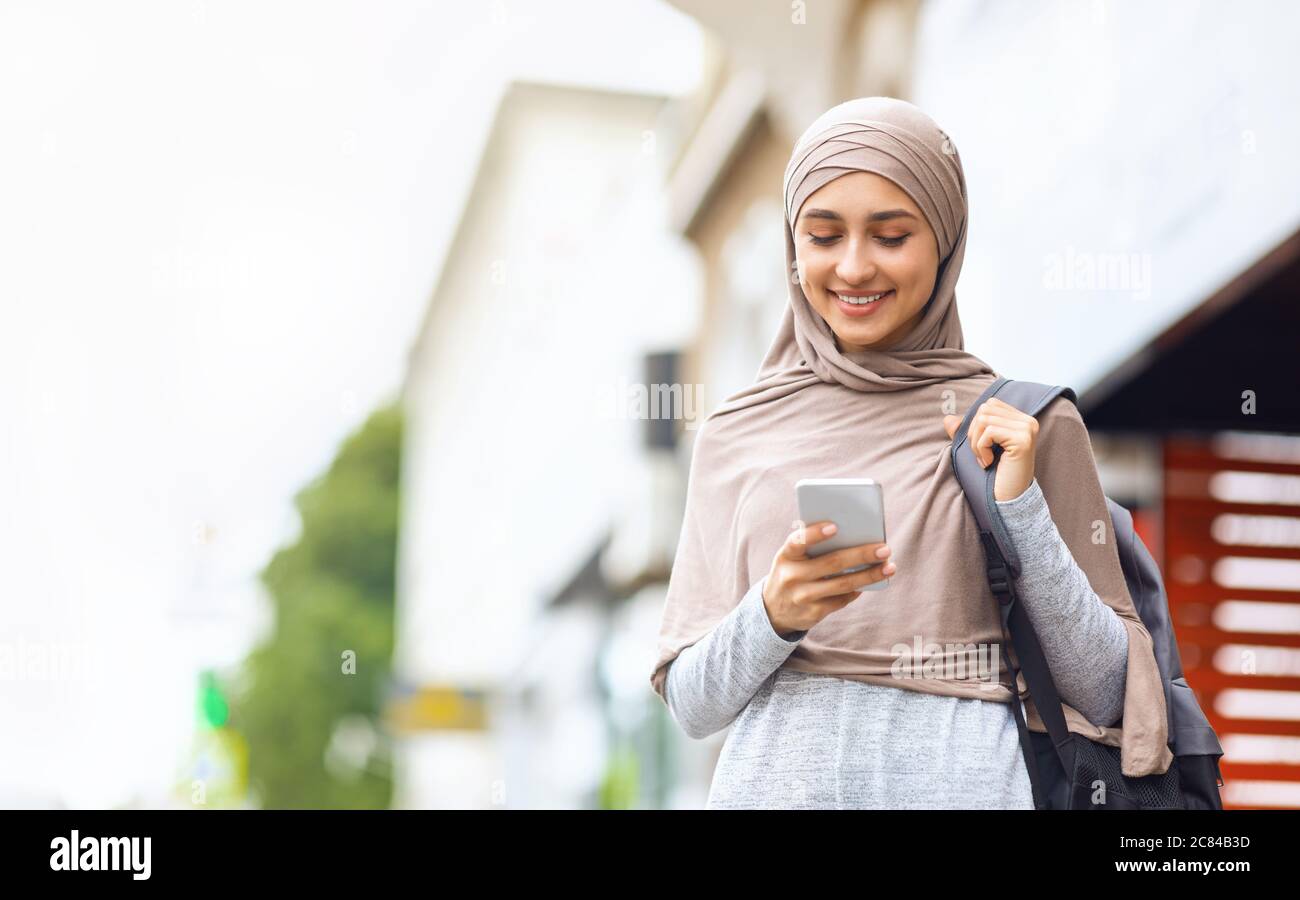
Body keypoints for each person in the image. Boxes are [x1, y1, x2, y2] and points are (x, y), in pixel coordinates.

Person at [648, 97, 1173, 809]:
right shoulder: (734, 434)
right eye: (823, 236)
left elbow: (1107, 691)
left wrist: (1020, 509)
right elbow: (692, 706)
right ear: (792, 246)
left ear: (946, 240)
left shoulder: (1025, 423)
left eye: (891, 236)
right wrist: (773, 611)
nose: (854, 268)